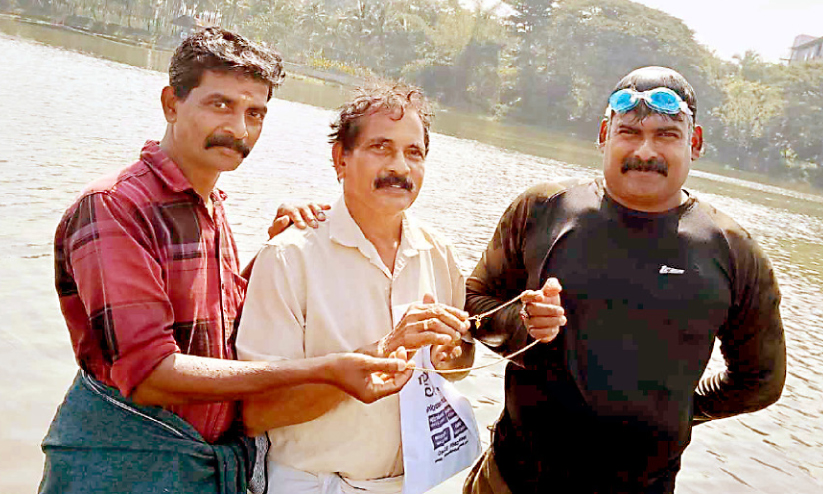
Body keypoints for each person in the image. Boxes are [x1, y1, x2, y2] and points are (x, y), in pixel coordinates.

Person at [39, 28, 412, 494]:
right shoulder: (116, 208)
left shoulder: (209, 205)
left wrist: (273, 255)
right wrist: (324, 370)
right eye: (221, 104)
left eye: (254, 113)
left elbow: (210, 326)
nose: (239, 129)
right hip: (123, 465)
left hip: (195, 464)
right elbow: (152, 374)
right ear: (171, 104)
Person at [463, 66, 787, 494]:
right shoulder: (543, 210)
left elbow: (760, 382)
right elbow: (472, 302)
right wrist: (519, 324)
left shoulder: (733, 251)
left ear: (695, 142)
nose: (645, 150)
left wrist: (679, 408)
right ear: (604, 134)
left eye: (667, 135)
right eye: (629, 131)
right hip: (511, 479)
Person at [235, 83, 475, 493]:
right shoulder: (289, 257)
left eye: (413, 153)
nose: (399, 167)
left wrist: (449, 351)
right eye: (381, 147)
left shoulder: (440, 254)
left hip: (410, 484)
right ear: (340, 159)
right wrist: (372, 358)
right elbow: (257, 412)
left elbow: (458, 365)